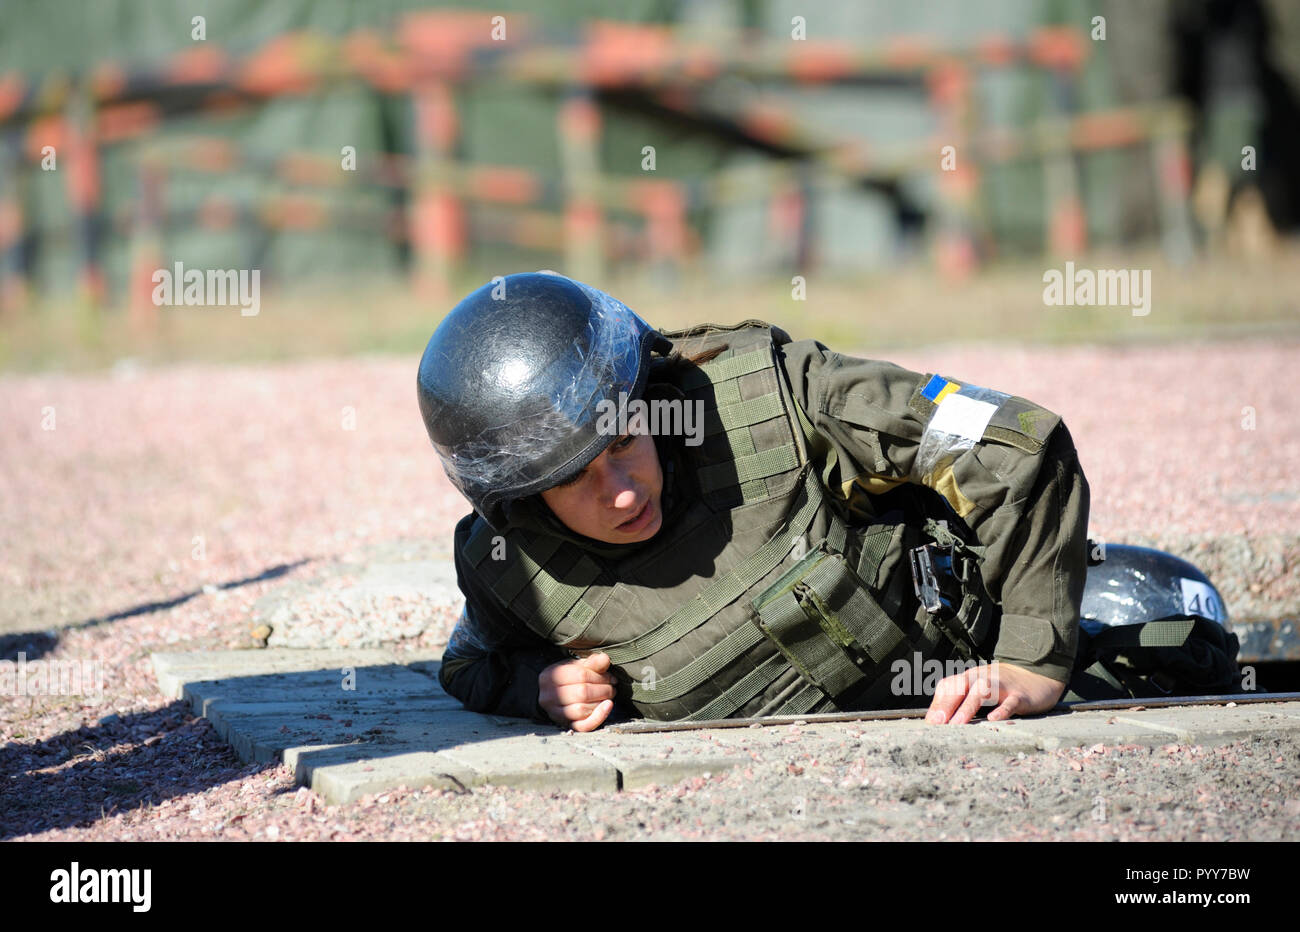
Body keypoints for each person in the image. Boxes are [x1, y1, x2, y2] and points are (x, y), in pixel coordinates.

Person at [417, 272, 1091, 731]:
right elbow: (469, 664)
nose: (622, 490)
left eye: (624, 440)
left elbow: (1015, 440)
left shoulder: (782, 400)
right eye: (573, 480)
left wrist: (1030, 665)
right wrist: (538, 685)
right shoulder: (510, 564)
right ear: (522, 499)